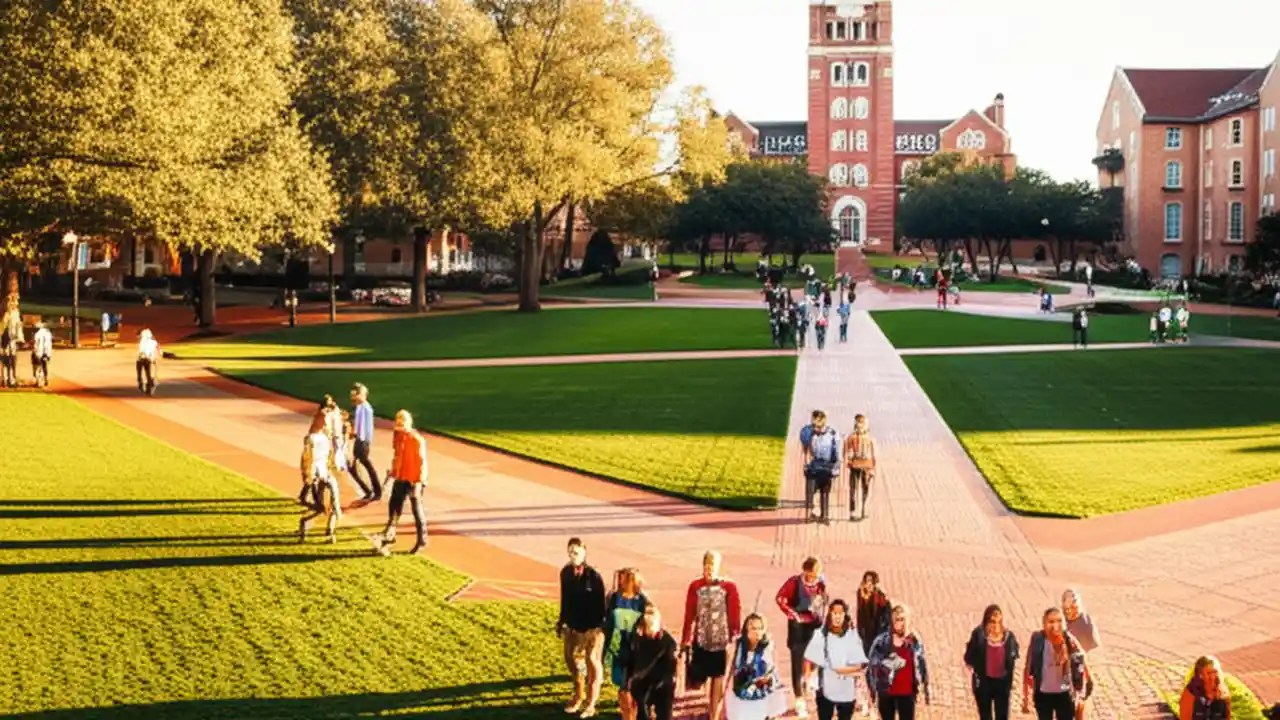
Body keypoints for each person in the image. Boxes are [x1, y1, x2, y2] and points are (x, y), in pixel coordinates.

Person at [681, 550, 742, 720]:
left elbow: (734, 612)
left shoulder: (728, 587)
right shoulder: (695, 586)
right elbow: (689, 613)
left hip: (721, 640)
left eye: (712, 566)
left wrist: (735, 634)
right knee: (699, 678)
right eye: (706, 566)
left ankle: (713, 714)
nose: (709, 569)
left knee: (718, 677)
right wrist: (685, 639)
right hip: (701, 638)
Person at [558, 538, 607, 719]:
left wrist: (595, 629)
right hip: (573, 625)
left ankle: (591, 703)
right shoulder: (565, 573)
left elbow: (601, 605)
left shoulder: (594, 576)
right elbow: (565, 598)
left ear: (584, 552)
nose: (573, 556)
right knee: (571, 660)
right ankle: (578, 693)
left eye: (576, 552)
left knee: (592, 662)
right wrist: (562, 621)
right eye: (570, 552)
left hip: (592, 627)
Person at [776, 556, 829, 718]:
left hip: (815, 626)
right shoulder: (794, 582)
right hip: (798, 628)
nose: (814, 576)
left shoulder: (821, 583)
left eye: (816, 573)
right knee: (797, 663)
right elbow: (780, 599)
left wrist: (823, 615)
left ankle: (809, 678)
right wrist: (793, 615)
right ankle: (799, 699)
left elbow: (825, 600)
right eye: (811, 573)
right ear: (805, 570)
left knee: (816, 658)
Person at [1021, 608, 1091, 720]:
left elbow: (1081, 658)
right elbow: (1028, 664)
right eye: (1051, 621)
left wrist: (1088, 680)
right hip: (1043, 694)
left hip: (1064, 693)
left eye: (1058, 621)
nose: (1055, 626)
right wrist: (1025, 696)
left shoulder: (1068, 639)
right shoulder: (1037, 639)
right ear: (1044, 623)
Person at [803, 599, 867, 720]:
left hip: (846, 690)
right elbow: (809, 658)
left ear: (845, 615)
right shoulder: (821, 635)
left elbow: (860, 663)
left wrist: (852, 676)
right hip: (825, 690)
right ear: (830, 614)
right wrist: (807, 682)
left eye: (841, 613)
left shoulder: (852, 636)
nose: (837, 616)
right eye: (834, 613)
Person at [376, 410, 429, 555]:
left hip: (413, 480)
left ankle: (421, 539)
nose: (399, 424)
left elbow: (421, 462)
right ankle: (390, 533)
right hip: (401, 476)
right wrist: (393, 471)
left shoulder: (416, 439)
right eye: (397, 421)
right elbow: (397, 456)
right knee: (394, 505)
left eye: (402, 421)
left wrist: (418, 481)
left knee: (416, 509)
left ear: (408, 422)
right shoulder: (398, 437)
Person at [867, 605, 931, 720]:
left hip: (907, 693)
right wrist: (872, 692)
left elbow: (922, 664)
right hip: (886, 693)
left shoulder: (914, 640)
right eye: (897, 620)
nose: (901, 623)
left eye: (903, 619)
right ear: (892, 621)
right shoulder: (882, 642)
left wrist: (925, 688)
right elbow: (872, 666)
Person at [605, 568, 649, 720]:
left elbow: (649, 621)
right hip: (619, 646)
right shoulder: (614, 598)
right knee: (620, 682)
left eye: (624, 579)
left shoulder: (641, 601)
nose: (621, 582)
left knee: (628, 685)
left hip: (635, 648)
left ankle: (629, 714)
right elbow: (607, 620)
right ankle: (626, 711)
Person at [726, 613, 788, 720]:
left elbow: (774, 672)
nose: (757, 632)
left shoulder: (769, 646)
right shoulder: (737, 646)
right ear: (746, 630)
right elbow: (729, 671)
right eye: (753, 628)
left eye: (760, 628)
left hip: (763, 696)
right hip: (742, 698)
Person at [964, 604, 1020, 720]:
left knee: (1002, 716)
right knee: (985, 716)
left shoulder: (1008, 637)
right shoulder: (979, 635)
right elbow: (969, 656)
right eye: (992, 622)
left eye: (999, 622)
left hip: (1002, 684)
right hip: (984, 683)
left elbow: (1014, 655)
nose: (995, 626)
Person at [626, 603, 679, 720]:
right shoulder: (636, 639)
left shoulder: (667, 642)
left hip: (662, 681)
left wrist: (663, 682)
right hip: (642, 681)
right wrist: (629, 682)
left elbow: (671, 667)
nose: (648, 632)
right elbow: (631, 661)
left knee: (665, 712)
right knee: (642, 709)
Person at [298, 412, 342, 543]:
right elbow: (306, 458)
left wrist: (332, 466)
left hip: (325, 474)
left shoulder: (326, 437)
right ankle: (304, 525)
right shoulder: (311, 438)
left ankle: (330, 532)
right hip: (316, 475)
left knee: (334, 502)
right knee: (322, 508)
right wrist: (308, 475)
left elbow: (329, 456)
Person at [1061, 589, 1100, 720]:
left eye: (1074, 607)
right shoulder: (1062, 626)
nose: (1071, 611)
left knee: (1080, 705)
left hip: (1079, 672)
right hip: (1067, 673)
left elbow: (1087, 651)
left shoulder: (1085, 622)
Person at [801, 410, 841, 523]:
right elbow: (805, 449)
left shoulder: (833, 434)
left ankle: (825, 515)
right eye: (814, 425)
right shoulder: (808, 433)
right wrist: (806, 463)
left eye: (818, 426)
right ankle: (809, 514)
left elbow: (837, 453)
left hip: (827, 465)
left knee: (825, 490)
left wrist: (836, 468)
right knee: (810, 490)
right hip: (814, 464)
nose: (816, 429)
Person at [349, 383, 382, 501]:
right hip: (361, 441)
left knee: (364, 466)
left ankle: (375, 490)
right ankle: (371, 490)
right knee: (358, 467)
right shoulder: (360, 408)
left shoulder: (365, 409)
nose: (353, 398)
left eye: (356, 395)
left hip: (362, 442)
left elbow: (362, 429)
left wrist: (354, 435)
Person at [842, 415, 877, 521]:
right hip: (855, 465)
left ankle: (864, 509)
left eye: (863, 424)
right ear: (855, 425)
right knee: (853, 489)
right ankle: (853, 512)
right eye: (859, 423)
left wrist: (872, 469)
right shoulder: (851, 437)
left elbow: (874, 454)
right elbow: (846, 450)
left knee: (865, 487)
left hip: (866, 465)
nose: (861, 426)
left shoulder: (870, 439)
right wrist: (848, 460)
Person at [1178, 655, 1231, 720]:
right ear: (1200, 675)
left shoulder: (1223, 693)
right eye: (1208, 673)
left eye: (1215, 672)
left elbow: (1227, 716)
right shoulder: (1190, 693)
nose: (1212, 677)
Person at [855, 571, 892, 657]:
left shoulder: (880, 595)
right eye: (867, 581)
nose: (869, 584)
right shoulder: (860, 593)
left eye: (871, 581)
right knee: (867, 652)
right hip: (866, 629)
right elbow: (859, 611)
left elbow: (886, 612)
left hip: (878, 629)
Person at [1, 303, 25, 388]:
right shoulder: (11, 315)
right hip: (8, 343)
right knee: (8, 363)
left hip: (9, 342)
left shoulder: (11, 315)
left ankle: (7, 380)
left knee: (8, 363)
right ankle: (8, 380)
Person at [136, 328, 159, 395]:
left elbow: (140, 351)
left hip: (141, 359)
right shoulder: (154, 342)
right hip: (149, 359)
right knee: (148, 374)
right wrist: (154, 359)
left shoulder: (142, 341)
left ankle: (141, 383)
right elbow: (155, 351)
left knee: (139, 373)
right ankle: (148, 388)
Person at [30, 322, 52, 388]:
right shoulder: (47, 333)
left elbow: (37, 344)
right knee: (43, 366)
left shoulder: (37, 334)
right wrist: (48, 354)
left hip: (39, 352)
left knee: (38, 367)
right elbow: (48, 345)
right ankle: (44, 379)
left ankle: (39, 381)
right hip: (44, 352)